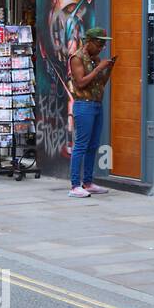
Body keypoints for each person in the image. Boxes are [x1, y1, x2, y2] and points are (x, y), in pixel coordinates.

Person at [67, 26, 116, 198]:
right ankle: (74, 185)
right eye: (99, 43)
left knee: (93, 145)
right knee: (80, 145)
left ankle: (87, 183)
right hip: (84, 105)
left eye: (103, 44)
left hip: (96, 104)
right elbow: (80, 83)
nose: (102, 47)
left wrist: (108, 68)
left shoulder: (94, 59)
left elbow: (100, 84)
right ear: (89, 42)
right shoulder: (77, 58)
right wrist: (98, 68)